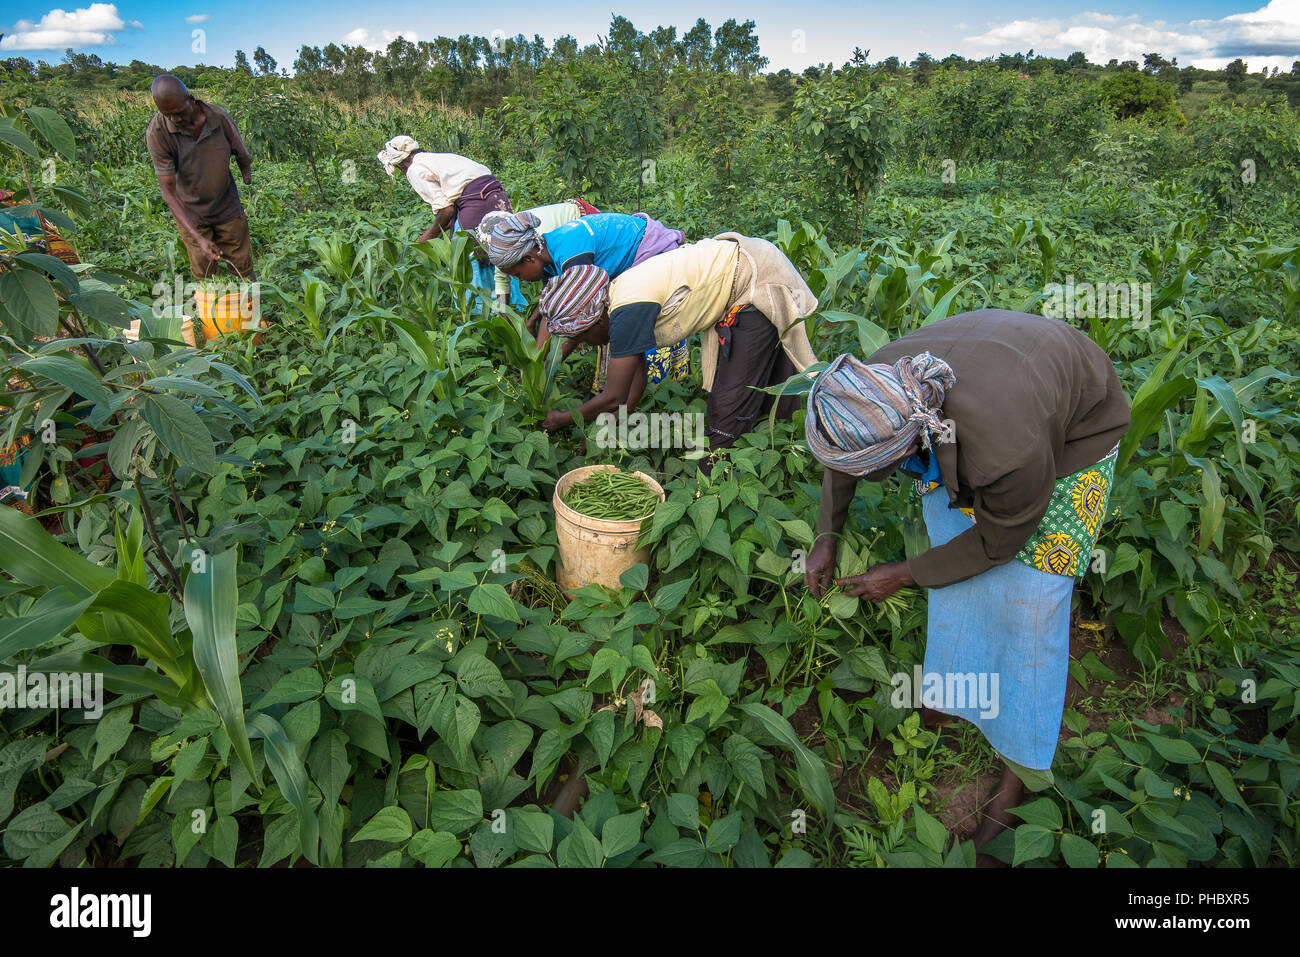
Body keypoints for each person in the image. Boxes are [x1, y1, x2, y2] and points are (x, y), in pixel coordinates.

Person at [802, 309, 1131, 861]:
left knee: (1029, 603)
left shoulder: (1008, 453)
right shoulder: (871, 388)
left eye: (871, 470)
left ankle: (1015, 779)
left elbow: (998, 543)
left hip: (1072, 434)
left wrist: (903, 574)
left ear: (901, 451)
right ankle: (953, 702)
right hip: (998, 379)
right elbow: (847, 451)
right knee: (954, 578)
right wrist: (827, 533)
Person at [538, 233, 819, 453]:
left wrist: (563, 419)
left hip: (753, 280)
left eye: (583, 336)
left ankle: (714, 478)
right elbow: (635, 381)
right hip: (744, 268)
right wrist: (611, 427)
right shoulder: (617, 304)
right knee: (766, 386)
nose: (586, 344)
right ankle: (777, 448)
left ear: (596, 321)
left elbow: (612, 394)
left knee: (729, 404)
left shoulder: (627, 309)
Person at [488, 210, 692, 390]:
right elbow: (552, 316)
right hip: (629, 260)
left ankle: (647, 393)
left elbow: (579, 320)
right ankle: (623, 395)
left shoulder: (571, 255)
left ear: (529, 259)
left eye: (517, 274)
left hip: (650, 253)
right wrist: (537, 361)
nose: (520, 280)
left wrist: (547, 367)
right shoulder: (549, 255)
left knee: (630, 328)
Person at [376, 136, 515, 303]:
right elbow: (454, 205)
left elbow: (446, 209)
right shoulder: (437, 158)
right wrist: (444, 227)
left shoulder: (414, 168)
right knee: (503, 251)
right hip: (496, 197)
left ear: (401, 163)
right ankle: (511, 310)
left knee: (469, 258)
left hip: (475, 203)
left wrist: (430, 235)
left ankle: (481, 313)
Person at [146, 74, 254, 281]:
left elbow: (241, 151)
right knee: (205, 277)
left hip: (227, 206)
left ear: (191, 99)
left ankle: (253, 312)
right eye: (167, 115)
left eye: (178, 112)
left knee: (243, 268)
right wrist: (197, 237)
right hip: (191, 214)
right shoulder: (158, 133)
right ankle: (215, 313)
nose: (174, 119)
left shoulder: (217, 117)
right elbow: (168, 193)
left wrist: (245, 170)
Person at [474, 199, 598, 307]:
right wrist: (503, 314)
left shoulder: (530, 238)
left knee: (586, 287)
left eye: (518, 275)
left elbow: (567, 283)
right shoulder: (508, 246)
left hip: (585, 224)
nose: (520, 280)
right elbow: (501, 278)